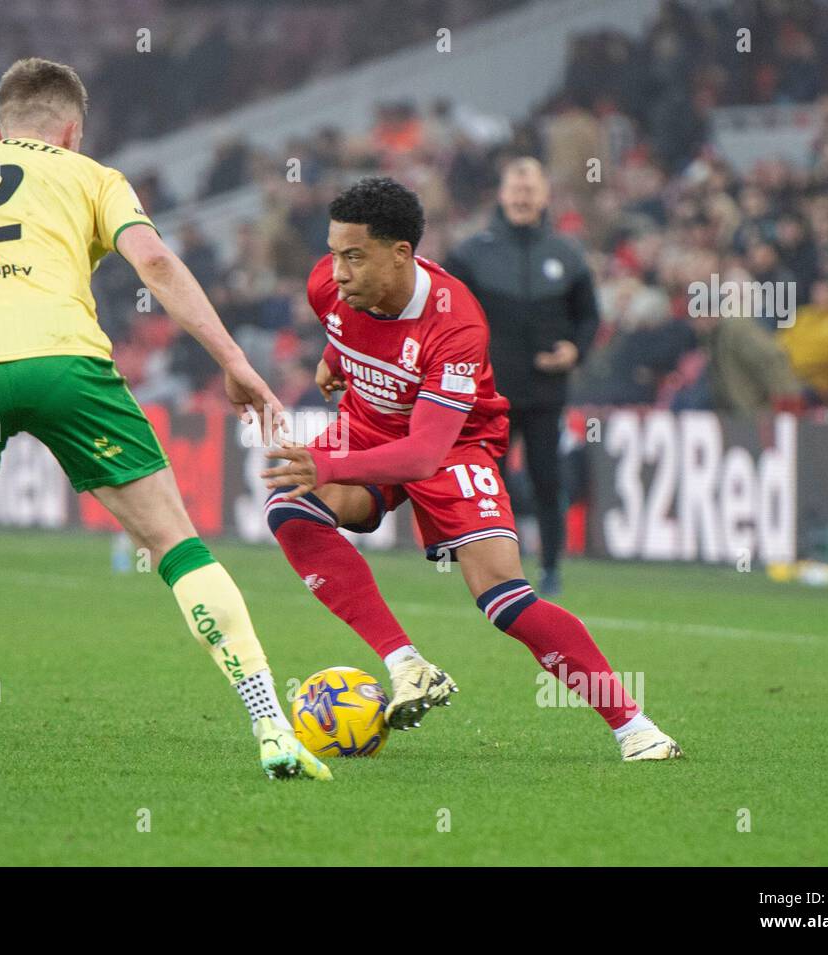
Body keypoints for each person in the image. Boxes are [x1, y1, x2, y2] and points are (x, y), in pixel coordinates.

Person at [0, 57, 329, 781]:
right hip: (67, 365)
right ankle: (271, 724)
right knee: (173, 541)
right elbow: (154, 261)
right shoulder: (92, 175)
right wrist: (235, 362)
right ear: (73, 130)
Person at [262, 177, 682, 762]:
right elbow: (345, 327)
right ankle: (406, 664)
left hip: (454, 444)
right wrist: (333, 360)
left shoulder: (455, 323)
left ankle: (635, 728)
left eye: (354, 256)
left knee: (504, 600)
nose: (337, 271)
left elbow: (424, 453)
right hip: (368, 425)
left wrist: (327, 461)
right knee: (290, 511)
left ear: (401, 253)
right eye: (333, 253)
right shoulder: (328, 286)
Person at [446, 158, 599, 595]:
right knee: (487, 482)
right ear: (502, 194)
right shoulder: (471, 252)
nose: (522, 195)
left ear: (545, 195)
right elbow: (446, 312)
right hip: (488, 394)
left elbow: (588, 317)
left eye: (530, 188)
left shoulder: (567, 254)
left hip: (546, 393)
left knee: (547, 480)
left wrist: (575, 350)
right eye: (515, 188)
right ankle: (491, 568)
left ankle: (550, 567)